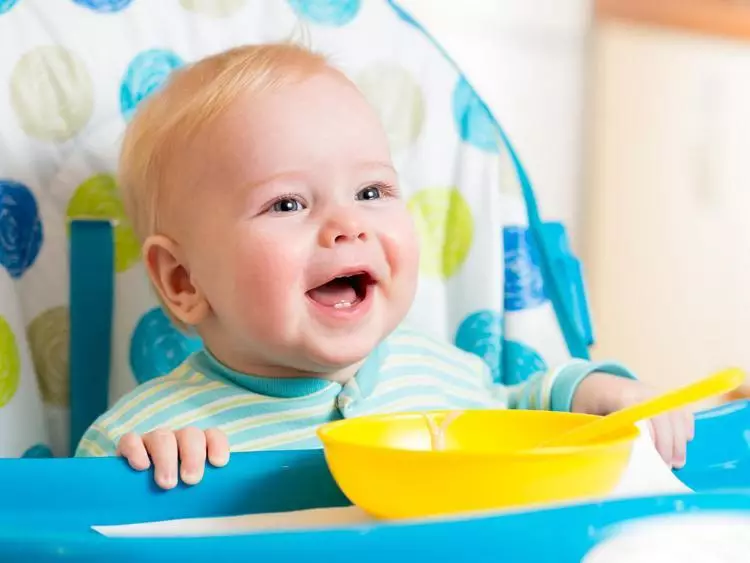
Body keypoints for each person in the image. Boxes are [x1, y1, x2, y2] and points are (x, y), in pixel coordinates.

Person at [75, 43, 693, 489]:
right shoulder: (159, 437)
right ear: (183, 280)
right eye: (287, 203)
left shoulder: (440, 373)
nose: (349, 224)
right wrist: (138, 478)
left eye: (371, 192)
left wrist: (593, 393)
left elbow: (520, 413)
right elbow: (75, 522)